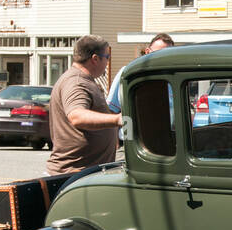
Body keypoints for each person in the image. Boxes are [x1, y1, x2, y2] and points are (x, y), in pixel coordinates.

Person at [47, 36, 122, 176]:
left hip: (85, 172)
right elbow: (77, 116)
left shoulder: (83, 80)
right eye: (107, 57)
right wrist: (117, 119)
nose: (107, 63)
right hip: (75, 173)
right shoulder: (76, 82)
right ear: (95, 59)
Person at [107, 32, 174, 112]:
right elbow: (112, 109)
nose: (161, 59)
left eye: (167, 55)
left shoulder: (173, 79)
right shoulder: (128, 73)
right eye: (158, 54)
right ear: (147, 52)